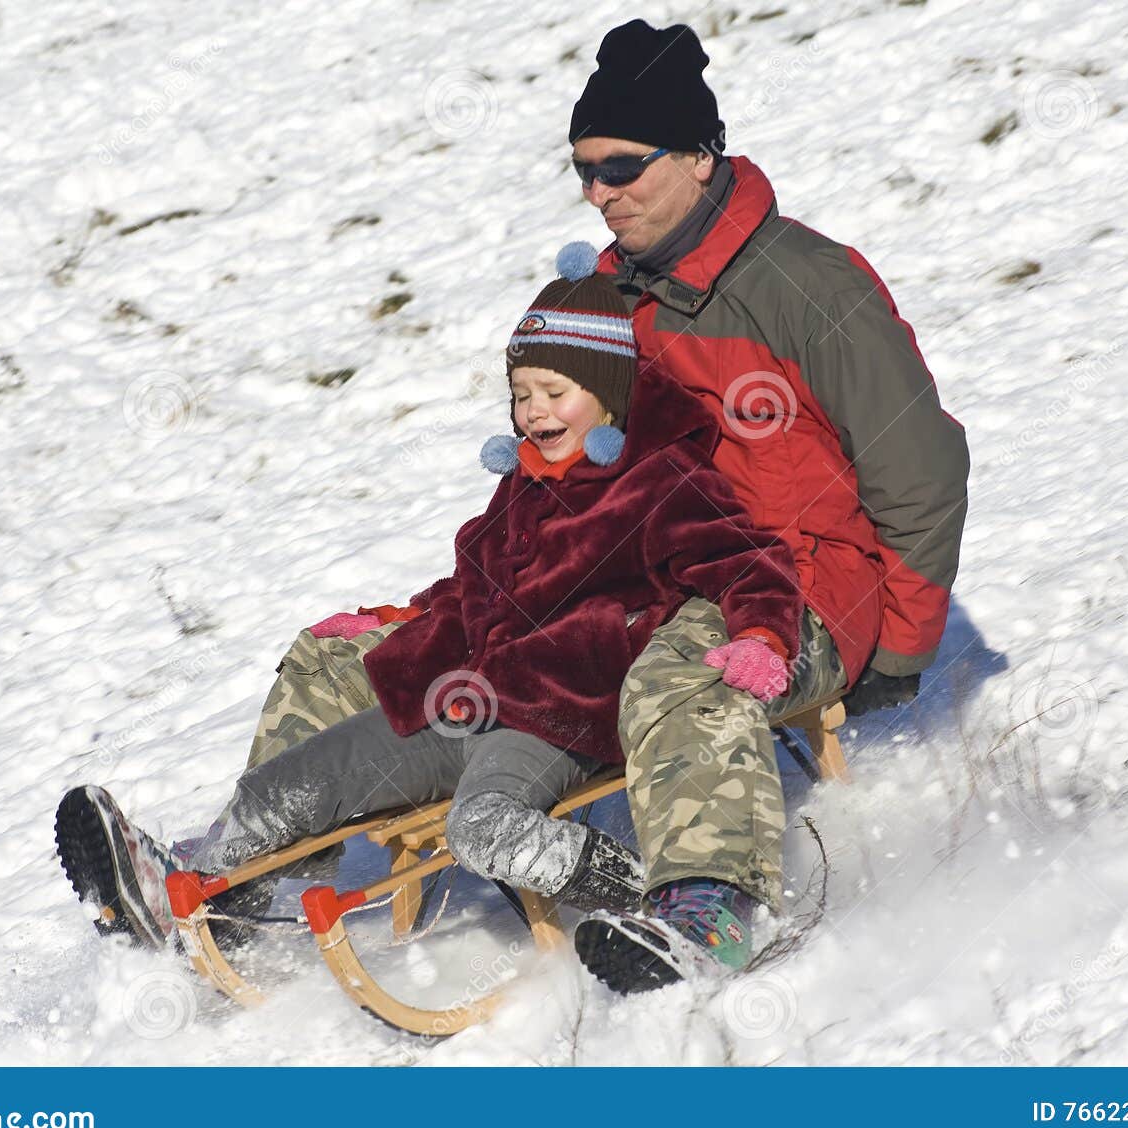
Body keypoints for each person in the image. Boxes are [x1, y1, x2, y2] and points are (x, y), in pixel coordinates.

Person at [240, 22, 970, 992]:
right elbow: (556, 476)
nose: (598, 189)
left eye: (621, 164)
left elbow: (919, 466)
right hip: (615, 587)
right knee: (342, 653)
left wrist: (898, 649)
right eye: (584, 168)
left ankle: (708, 906)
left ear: (698, 155)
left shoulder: (805, 286)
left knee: (687, 670)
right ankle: (252, 883)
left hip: (782, 588)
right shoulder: (602, 301)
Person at [55, 246, 806, 957]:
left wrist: (763, 635)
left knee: (484, 826)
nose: (535, 412)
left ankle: (645, 901)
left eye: (555, 392)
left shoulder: (658, 483)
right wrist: (398, 622)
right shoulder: (523, 487)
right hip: (464, 700)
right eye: (521, 395)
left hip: (557, 718)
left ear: (607, 394)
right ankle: (192, 888)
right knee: (291, 781)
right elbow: (470, 590)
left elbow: (748, 559)